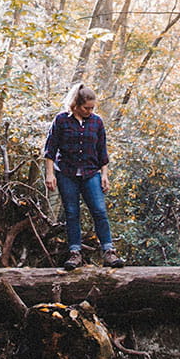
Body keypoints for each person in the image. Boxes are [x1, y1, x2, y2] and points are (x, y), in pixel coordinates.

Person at [42, 82, 125, 270]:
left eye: (92, 107)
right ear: (76, 105)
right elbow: (50, 150)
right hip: (66, 173)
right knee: (72, 213)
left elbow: (102, 151)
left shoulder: (97, 122)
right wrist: (49, 174)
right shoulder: (61, 120)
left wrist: (105, 175)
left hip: (91, 173)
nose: (90, 110)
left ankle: (109, 252)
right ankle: (74, 253)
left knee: (99, 210)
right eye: (86, 107)